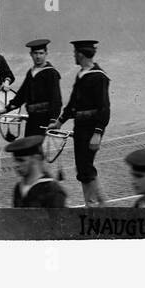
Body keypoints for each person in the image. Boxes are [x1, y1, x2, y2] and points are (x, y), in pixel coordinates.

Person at [48, 39, 110, 207]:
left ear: (81, 54)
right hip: (81, 127)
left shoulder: (99, 77)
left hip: (92, 128)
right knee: (83, 167)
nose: (73, 56)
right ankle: (101, 204)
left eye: (75, 53)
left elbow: (104, 108)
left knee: (85, 167)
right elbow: (73, 103)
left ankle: (92, 205)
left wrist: (97, 133)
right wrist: (60, 121)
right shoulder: (82, 74)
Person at [0, 37, 62, 138]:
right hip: (32, 118)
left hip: (45, 118)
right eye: (35, 53)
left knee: (32, 147)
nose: (38, 56)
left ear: (46, 53)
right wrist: (7, 109)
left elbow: (56, 98)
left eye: (41, 53)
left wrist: (53, 120)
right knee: (29, 147)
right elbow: (22, 94)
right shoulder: (31, 72)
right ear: (31, 54)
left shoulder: (51, 73)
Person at [5, 135, 68, 208]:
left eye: (21, 160)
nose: (16, 165)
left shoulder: (52, 190)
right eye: (15, 161)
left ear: (36, 158)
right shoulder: (18, 187)